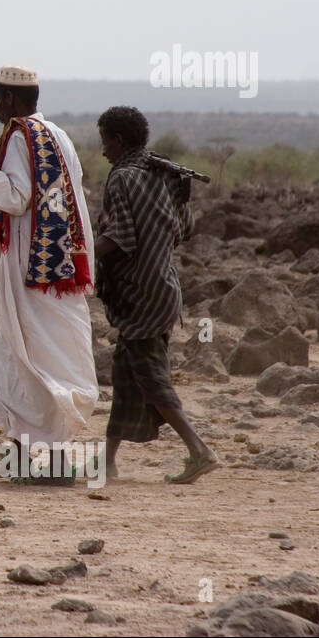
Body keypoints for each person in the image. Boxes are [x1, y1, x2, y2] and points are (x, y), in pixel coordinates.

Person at [0, 66, 97, 485]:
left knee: (34, 358)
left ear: (12, 101)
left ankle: (53, 463)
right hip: (58, 265)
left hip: (30, 265)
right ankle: (13, 456)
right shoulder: (58, 134)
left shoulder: (19, 137)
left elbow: (16, 199)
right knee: (13, 353)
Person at [93, 105, 218, 484]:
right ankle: (107, 461)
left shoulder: (123, 179)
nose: (103, 152)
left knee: (150, 377)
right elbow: (184, 229)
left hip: (140, 295)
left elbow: (120, 237)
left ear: (117, 140)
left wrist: (74, 253)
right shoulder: (163, 173)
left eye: (105, 143)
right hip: (164, 287)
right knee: (127, 373)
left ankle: (199, 450)